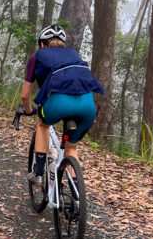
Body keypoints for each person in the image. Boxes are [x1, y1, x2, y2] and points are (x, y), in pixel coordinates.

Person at [21, 25, 105, 186]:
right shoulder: (74, 54)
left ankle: (38, 174)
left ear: (42, 44)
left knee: (43, 125)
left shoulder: (37, 56)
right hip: (88, 106)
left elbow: (25, 95)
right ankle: (76, 194)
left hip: (58, 104)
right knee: (71, 148)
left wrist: (29, 110)